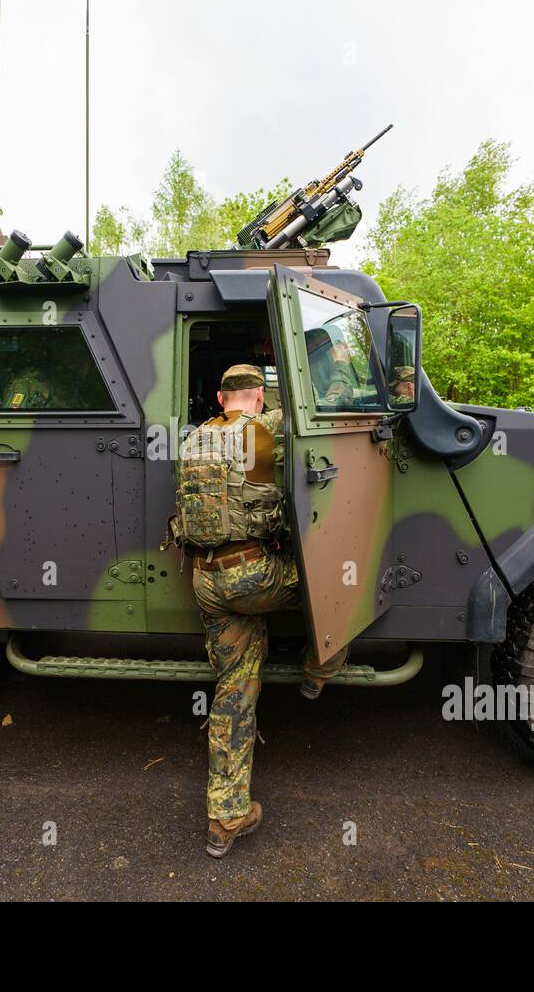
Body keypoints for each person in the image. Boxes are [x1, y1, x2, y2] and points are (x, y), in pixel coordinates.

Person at [172, 363, 348, 859]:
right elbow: (323, 419)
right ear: (255, 396)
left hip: (206, 579)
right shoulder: (261, 431)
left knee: (235, 689)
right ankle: (320, 668)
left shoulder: (194, 439)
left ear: (221, 400)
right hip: (251, 576)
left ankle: (226, 818)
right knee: (342, 582)